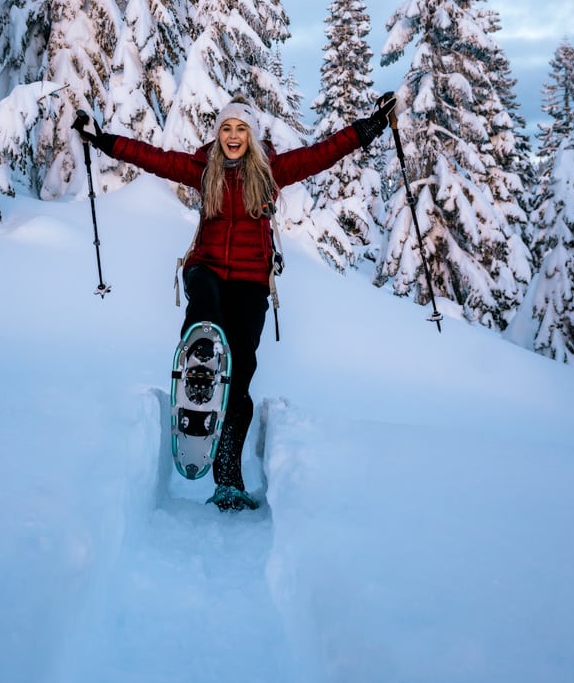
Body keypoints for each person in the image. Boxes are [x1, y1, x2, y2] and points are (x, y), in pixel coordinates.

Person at [77, 91, 396, 511]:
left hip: (250, 281)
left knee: (241, 373)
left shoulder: (272, 172)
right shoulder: (203, 168)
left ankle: (227, 478)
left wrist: (372, 126)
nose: (232, 136)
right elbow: (153, 157)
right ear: (218, 134)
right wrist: (103, 140)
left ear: (252, 135)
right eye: (226, 128)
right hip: (205, 266)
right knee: (204, 310)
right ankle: (200, 357)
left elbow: (324, 153)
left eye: (240, 129)